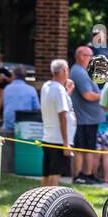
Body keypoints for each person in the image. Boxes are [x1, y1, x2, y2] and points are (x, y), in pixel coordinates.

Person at [68, 45, 104, 184]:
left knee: (89, 148)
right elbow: (88, 95)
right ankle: (79, 176)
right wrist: (103, 96)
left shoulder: (83, 71)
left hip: (89, 118)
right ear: (81, 56)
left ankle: (88, 174)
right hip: (84, 119)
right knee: (81, 149)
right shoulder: (79, 72)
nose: (92, 59)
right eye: (90, 56)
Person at [40, 59, 75, 187]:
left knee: (46, 173)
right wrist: (66, 143)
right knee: (54, 173)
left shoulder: (47, 86)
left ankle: (41, 201)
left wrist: (67, 92)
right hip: (59, 140)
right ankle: (49, 203)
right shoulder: (59, 90)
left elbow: (57, 103)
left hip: (49, 137)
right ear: (65, 71)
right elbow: (62, 116)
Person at [0, 65, 39, 132]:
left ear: (13, 75)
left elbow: (4, 105)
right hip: (25, 126)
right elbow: (37, 108)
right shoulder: (31, 90)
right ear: (25, 76)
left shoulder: (7, 88)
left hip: (8, 125)